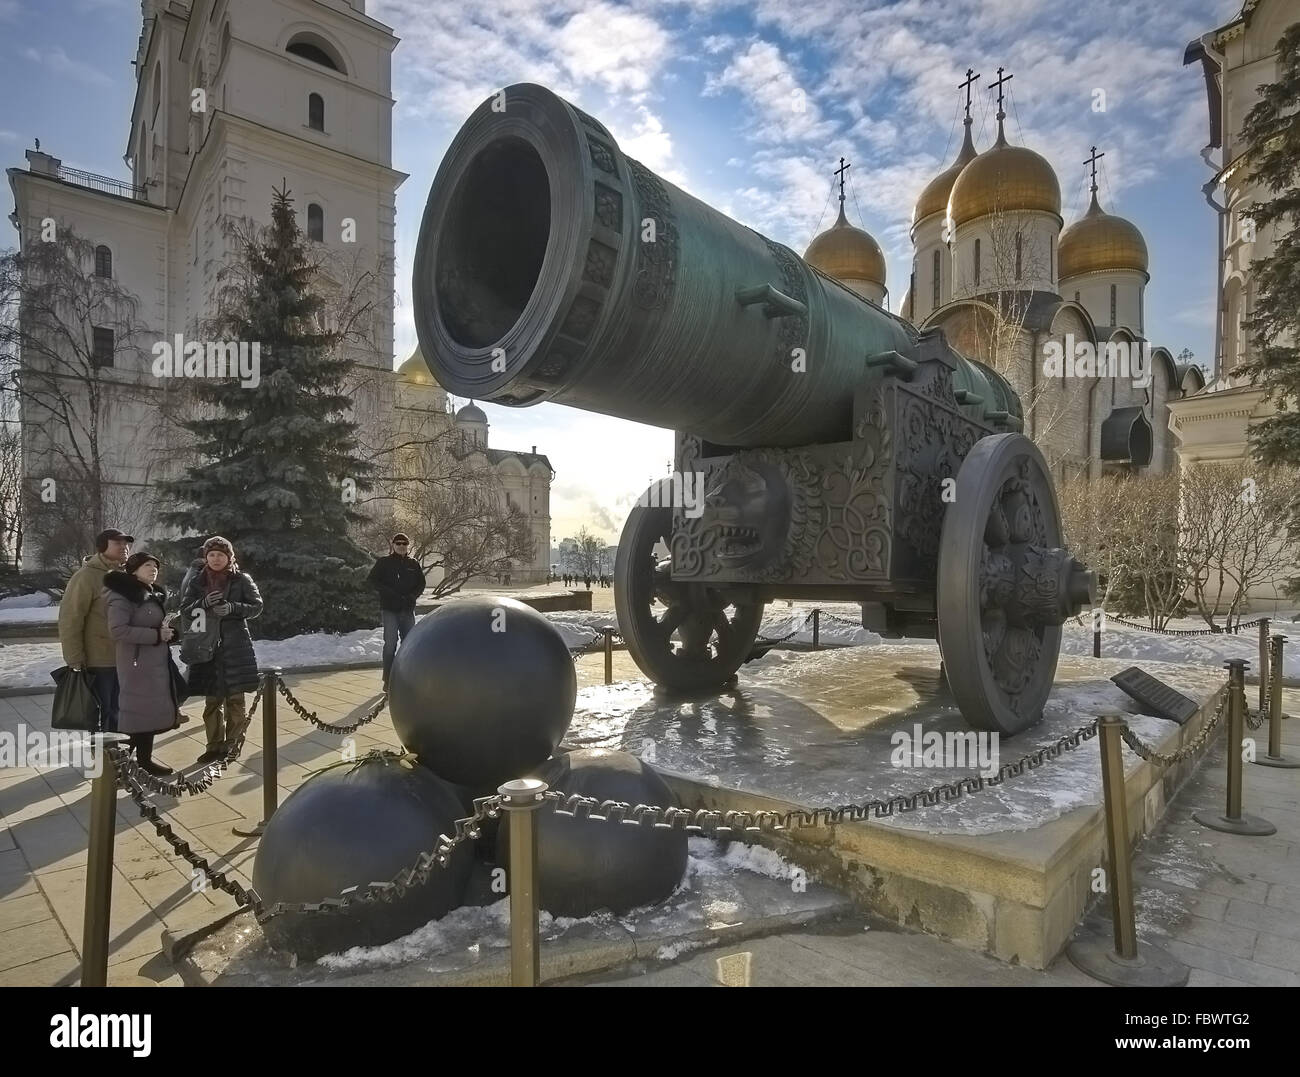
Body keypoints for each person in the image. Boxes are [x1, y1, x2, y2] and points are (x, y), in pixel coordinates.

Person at [180, 536, 263, 764]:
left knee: (235, 699)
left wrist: (233, 608)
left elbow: (257, 606)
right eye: (212, 555)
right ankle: (213, 746)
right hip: (207, 648)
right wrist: (204, 603)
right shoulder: (198, 581)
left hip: (235, 646)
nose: (216, 559)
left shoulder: (241, 579)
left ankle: (232, 745)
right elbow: (185, 609)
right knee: (212, 700)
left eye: (220, 555)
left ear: (229, 557)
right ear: (206, 557)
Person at [104, 553, 179, 777]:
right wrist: (156, 635)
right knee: (135, 714)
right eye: (147, 565)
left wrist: (170, 634)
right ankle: (120, 766)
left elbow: (154, 624)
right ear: (133, 569)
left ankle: (143, 761)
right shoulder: (123, 595)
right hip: (136, 664)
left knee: (148, 713)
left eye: (155, 566)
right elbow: (118, 630)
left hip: (153, 662)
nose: (153, 569)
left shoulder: (150, 593)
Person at [57, 528, 132, 731]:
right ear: (103, 546)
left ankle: (118, 754)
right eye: (118, 543)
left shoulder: (126, 576)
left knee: (121, 709)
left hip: (125, 657)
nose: (124, 547)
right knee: (105, 711)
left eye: (126, 543)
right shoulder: (86, 576)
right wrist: (74, 657)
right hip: (100, 659)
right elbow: (70, 619)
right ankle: (104, 756)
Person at [367, 533, 425, 690]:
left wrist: (412, 596)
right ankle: (388, 679)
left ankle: (406, 678)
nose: (401, 546)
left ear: (408, 546)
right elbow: (372, 580)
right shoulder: (384, 563)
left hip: (407, 610)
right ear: (392, 545)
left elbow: (421, 583)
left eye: (404, 543)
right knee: (390, 644)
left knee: (409, 645)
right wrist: (389, 593)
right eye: (398, 543)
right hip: (390, 610)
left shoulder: (413, 564)